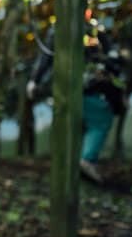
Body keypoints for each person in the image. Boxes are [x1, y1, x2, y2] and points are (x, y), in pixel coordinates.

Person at [26, 14, 126, 184]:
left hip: (66, 89)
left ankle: (71, 166)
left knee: (76, 126)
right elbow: (113, 58)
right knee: (99, 122)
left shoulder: (63, 29)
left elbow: (45, 58)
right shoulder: (93, 30)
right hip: (88, 89)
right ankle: (86, 160)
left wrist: (35, 80)